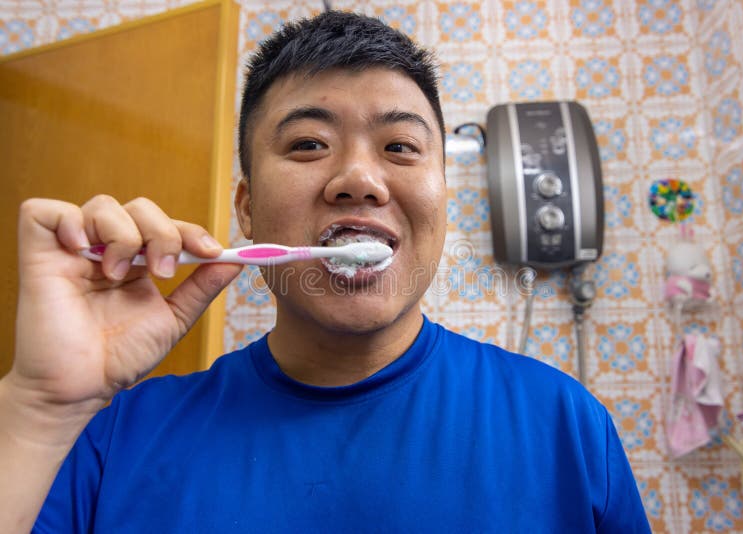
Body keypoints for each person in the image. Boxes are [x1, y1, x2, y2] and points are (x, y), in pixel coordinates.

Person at [0, 11, 650, 533]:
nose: (359, 179)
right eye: (309, 144)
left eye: (400, 147)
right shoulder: (115, 439)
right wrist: (39, 406)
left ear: (444, 200)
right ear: (246, 208)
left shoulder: (565, 424)